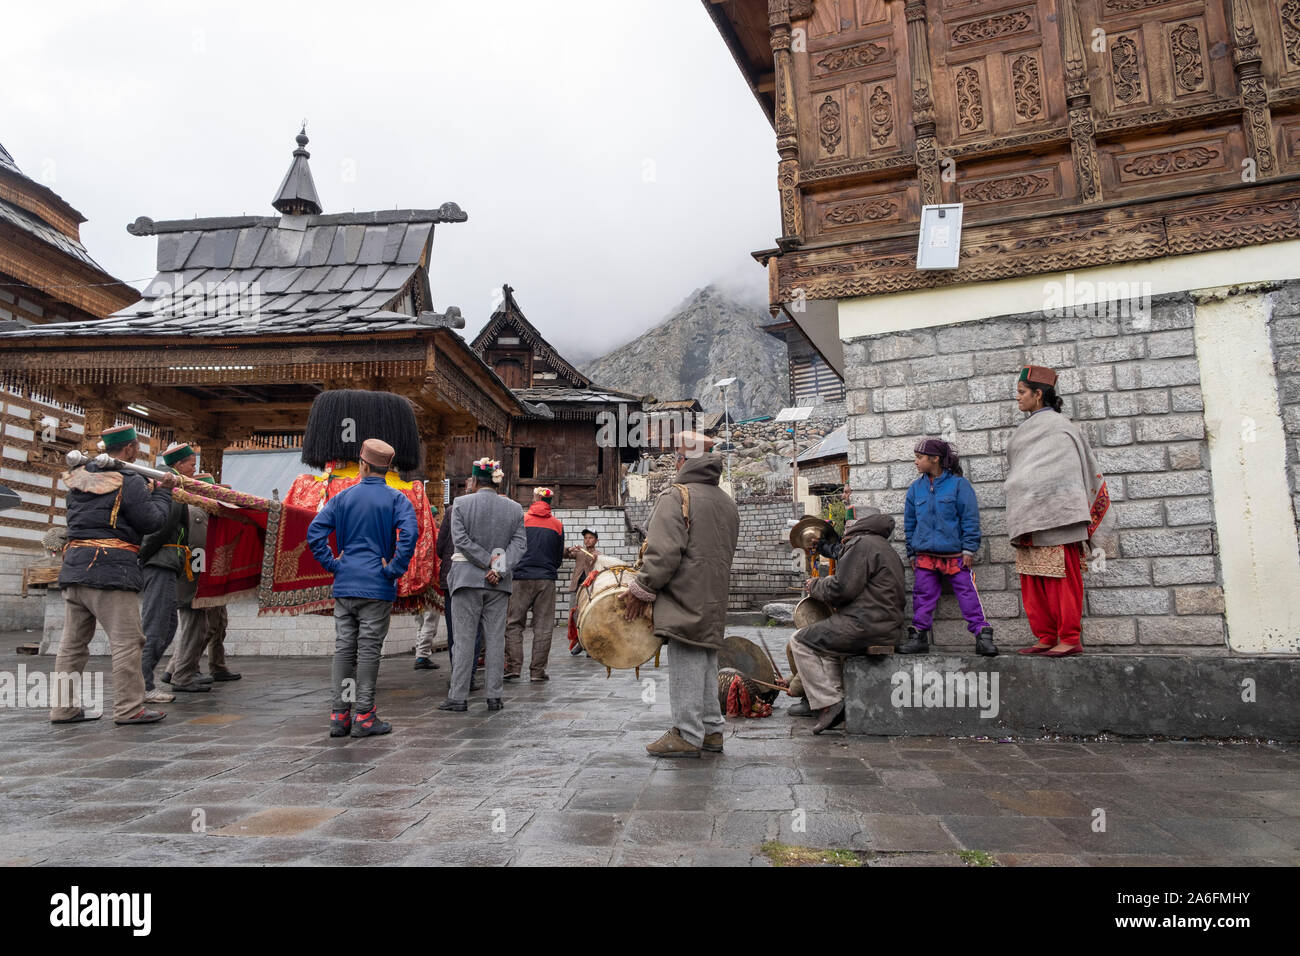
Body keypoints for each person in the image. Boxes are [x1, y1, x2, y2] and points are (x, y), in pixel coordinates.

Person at [624, 431, 739, 758]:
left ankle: (687, 734)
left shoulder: (676, 496)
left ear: (682, 460)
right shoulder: (726, 502)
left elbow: (662, 554)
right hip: (714, 597)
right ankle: (712, 731)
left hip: (683, 597)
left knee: (687, 658)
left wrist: (642, 587)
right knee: (705, 659)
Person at [51, 424, 174, 725]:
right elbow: (151, 521)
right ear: (130, 449)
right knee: (128, 642)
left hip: (75, 567)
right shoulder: (128, 479)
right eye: (136, 447)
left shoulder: (79, 478)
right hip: (111, 569)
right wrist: (164, 493)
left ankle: (63, 708)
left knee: (72, 646)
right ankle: (129, 708)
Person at [307, 438, 418, 737]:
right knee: (369, 649)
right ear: (388, 467)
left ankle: (340, 715)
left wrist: (332, 564)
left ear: (364, 464)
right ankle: (365, 716)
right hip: (378, 584)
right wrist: (394, 569)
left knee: (344, 647)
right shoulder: (398, 500)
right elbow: (409, 535)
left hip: (345, 584)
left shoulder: (343, 498)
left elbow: (315, 531)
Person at [1005, 365, 1109, 656]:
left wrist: (1045, 493)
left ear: (1039, 394)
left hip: (1059, 518)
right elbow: (1022, 470)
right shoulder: (1024, 430)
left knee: (1062, 581)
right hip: (1028, 517)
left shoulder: (1062, 428)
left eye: (1022, 392)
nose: (1018, 398)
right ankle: (1047, 635)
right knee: (1033, 581)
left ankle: (1069, 637)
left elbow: (1064, 472)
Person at [786, 506, 906, 734]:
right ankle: (836, 702)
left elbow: (842, 589)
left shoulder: (861, 545)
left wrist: (816, 585)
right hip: (886, 625)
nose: (846, 528)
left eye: (849, 524)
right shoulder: (882, 546)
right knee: (827, 647)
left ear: (858, 523)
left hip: (865, 624)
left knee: (799, 641)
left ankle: (829, 701)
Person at [439, 458, 526, 713]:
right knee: (496, 639)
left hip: (466, 578)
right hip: (498, 583)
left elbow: (461, 541)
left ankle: (458, 697)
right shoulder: (515, 508)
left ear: (475, 481)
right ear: (498, 482)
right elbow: (520, 545)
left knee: (464, 640)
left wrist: (488, 562)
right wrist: (497, 567)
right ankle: (494, 697)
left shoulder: (461, 504)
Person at [899, 438, 997, 657]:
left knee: (968, 595)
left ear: (935, 459)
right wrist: (912, 552)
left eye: (919, 457)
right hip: (924, 556)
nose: (916, 462)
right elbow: (910, 523)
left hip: (956, 556)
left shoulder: (959, 485)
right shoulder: (915, 489)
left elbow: (970, 519)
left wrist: (969, 549)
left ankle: (982, 635)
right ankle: (919, 637)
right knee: (922, 596)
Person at [139, 441, 201, 701]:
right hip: (161, 563)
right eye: (190, 465)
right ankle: (142, 685)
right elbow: (160, 530)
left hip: (169, 564)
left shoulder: (179, 490)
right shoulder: (171, 492)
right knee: (157, 625)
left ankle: (144, 681)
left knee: (168, 624)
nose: (194, 469)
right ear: (178, 466)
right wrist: (142, 557)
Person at [505, 487, 564, 682]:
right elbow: (558, 557)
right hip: (546, 579)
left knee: (514, 623)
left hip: (520, 578)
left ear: (536, 498)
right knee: (544, 627)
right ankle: (537, 672)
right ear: (550, 502)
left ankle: (513, 668)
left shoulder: (521, 520)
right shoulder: (557, 525)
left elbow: (512, 547)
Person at [413, 495, 442, 671]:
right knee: (430, 621)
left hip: (417, 586)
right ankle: (422, 655)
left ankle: (420, 652)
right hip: (432, 585)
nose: (439, 522)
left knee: (421, 622)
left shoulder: (416, 535)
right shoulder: (436, 535)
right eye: (437, 519)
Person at [564, 528, 600, 655]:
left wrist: (596, 559)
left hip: (590, 589)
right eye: (585, 538)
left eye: (590, 538)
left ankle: (590, 645)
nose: (587, 540)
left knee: (590, 616)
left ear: (596, 540)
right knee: (575, 615)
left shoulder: (598, 554)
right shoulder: (579, 552)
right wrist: (570, 549)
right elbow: (564, 554)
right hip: (576, 588)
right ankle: (580, 641)